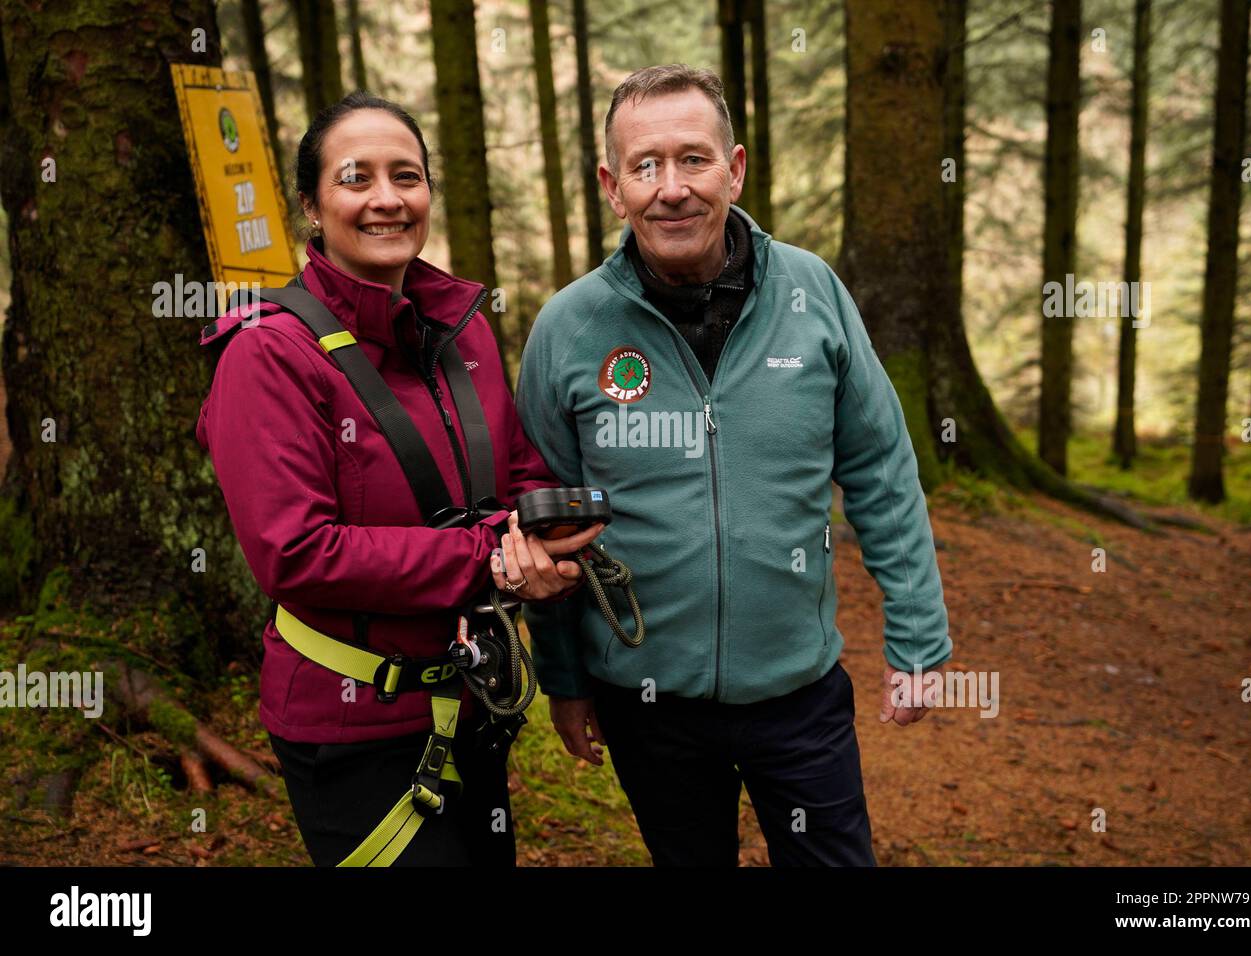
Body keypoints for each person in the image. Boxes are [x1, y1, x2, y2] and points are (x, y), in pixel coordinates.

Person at [516, 65, 953, 867]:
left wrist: (918, 638)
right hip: (648, 702)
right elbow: (546, 521)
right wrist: (565, 678)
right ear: (613, 187)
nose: (671, 188)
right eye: (646, 166)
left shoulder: (812, 294)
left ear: (736, 168)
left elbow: (882, 470)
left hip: (799, 694)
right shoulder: (569, 328)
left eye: (694, 159)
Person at [196, 92, 602, 866]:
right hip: (353, 726)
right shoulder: (268, 356)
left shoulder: (461, 328)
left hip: (471, 697)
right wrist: (488, 559)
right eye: (356, 179)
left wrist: (549, 539)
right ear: (312, 207)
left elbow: (515, 473)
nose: (387, 198)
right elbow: (296, 552)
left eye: (406, 176)